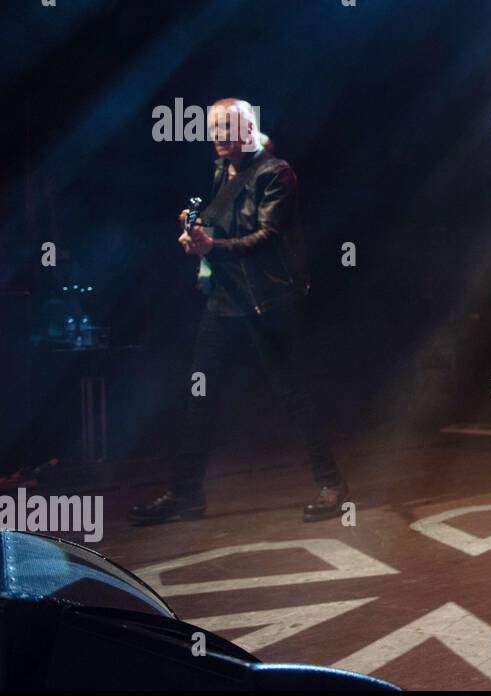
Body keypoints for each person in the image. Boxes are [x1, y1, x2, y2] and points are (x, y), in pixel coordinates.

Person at [129, 99, 349, 525]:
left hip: (267, 300)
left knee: (291, 394)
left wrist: (211, 246)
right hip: (225, 298)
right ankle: (186, 494)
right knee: (200, 395)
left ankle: (332, 484)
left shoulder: (275, 173)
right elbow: (223, 225)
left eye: (225, 129)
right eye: (212, 128)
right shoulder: (220, 170)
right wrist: (195, 231)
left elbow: (266, 236)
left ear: (247, 129)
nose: (215, 136)